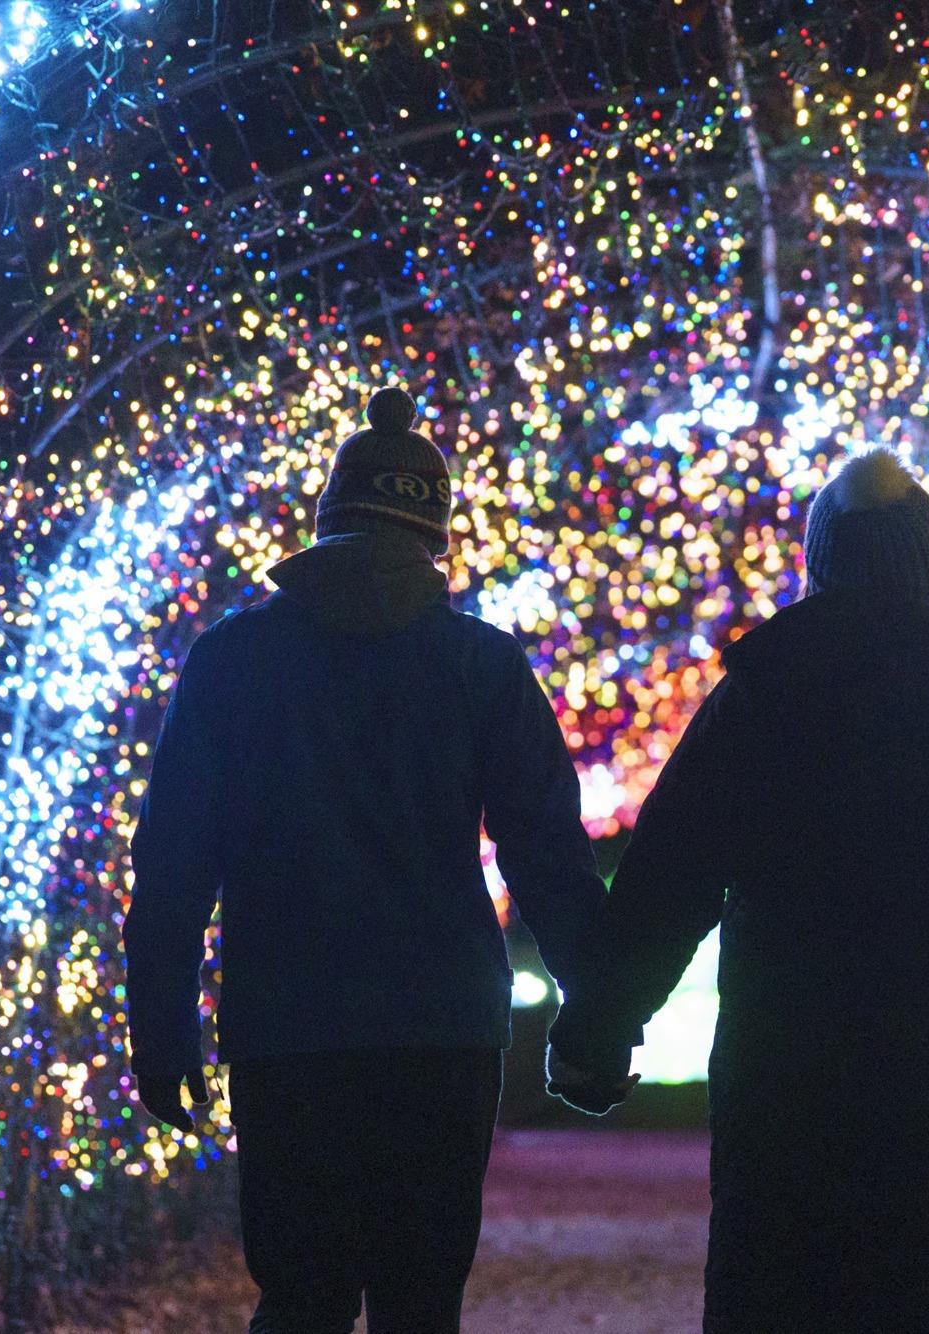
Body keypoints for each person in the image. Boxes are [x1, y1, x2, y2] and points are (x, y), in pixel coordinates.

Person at [547, 449, 929, 1333]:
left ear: (818, 564)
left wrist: (597, 1033)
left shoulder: (755, 706)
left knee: (779, 1294)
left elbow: (666, 883)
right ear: (928, 567)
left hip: (786, 1085)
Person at [123, 386, 606, 1334]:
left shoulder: (232, 660)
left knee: (299, 1296)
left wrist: (161, 1020)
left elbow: (176, 857)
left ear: (326, 525)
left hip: (288, 1030)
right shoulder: (481, 665)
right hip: (441, 1033)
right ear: (437, 537)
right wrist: (601, 1007)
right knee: (420, 1302)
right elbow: (545, 850)